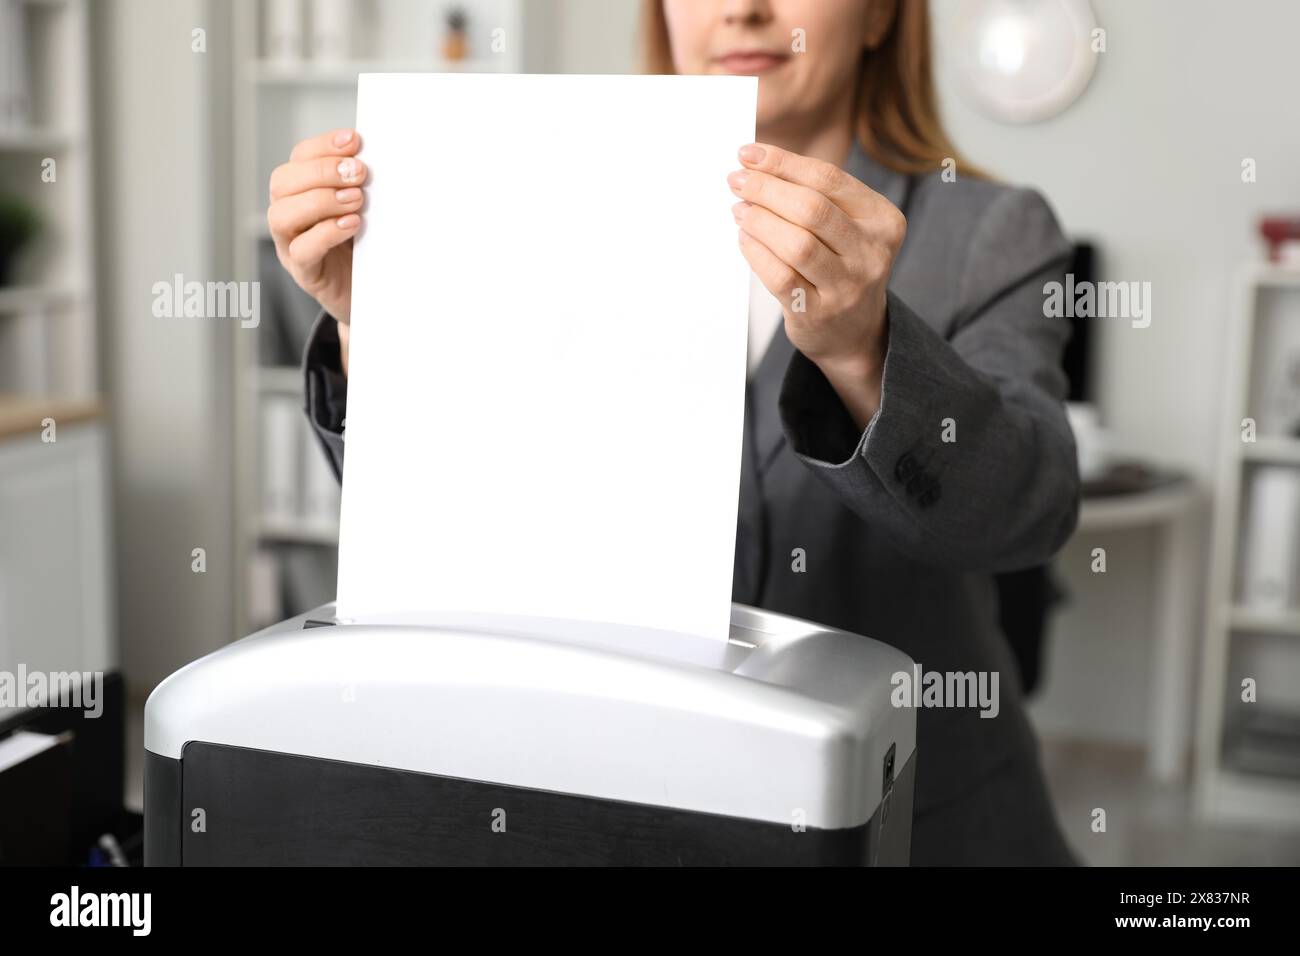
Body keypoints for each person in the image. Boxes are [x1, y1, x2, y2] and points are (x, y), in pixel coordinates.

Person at [269, 0, 1080, 865]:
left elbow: (1027, 507)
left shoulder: (989, 228)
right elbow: (458, 525)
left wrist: (865, 350)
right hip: (648, 811)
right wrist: (383, 323)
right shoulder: (541, 205)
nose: (742, 9)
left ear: (880, 15)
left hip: (922, 823)